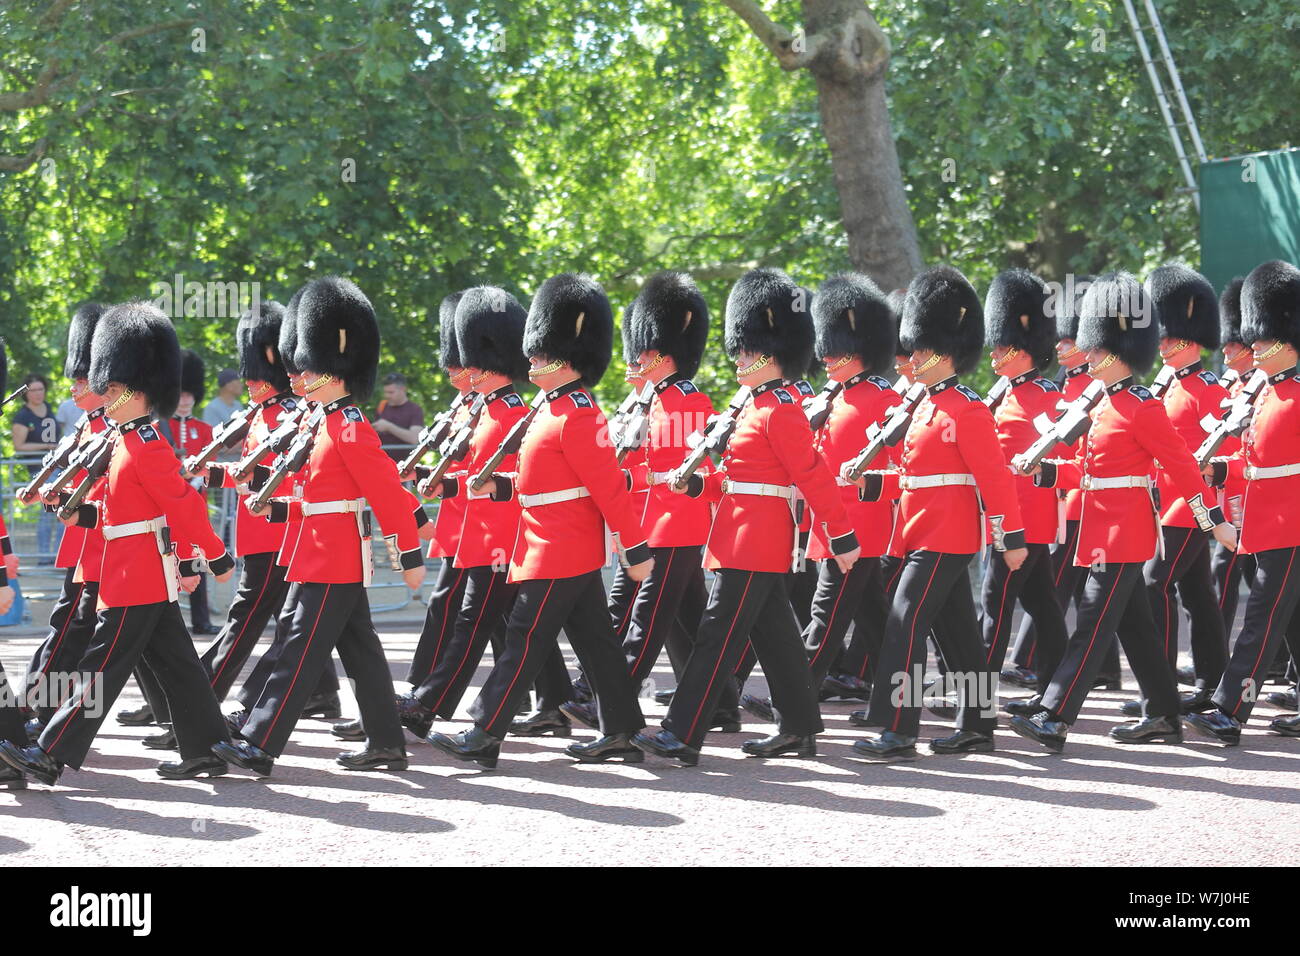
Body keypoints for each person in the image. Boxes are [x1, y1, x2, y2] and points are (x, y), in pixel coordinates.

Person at [0, 301, 236, 786]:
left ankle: (51, 752)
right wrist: (74, 510)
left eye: (110, 387)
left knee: (100, 667)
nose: (102, 393)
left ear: (137, 389)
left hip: (139, 571)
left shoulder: (147, 442)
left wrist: (213, 553)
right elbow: (113, 511)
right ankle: (208, 747)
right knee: (178, 664)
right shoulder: (124, 439)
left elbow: (183, 505)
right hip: (126, 565)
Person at [634, 267, 861, 766]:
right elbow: (737, 478)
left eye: (746, 350)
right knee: (776, 636)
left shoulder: (780, 408)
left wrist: (841, 535)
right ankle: (799, 728)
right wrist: (698, 483)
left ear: (772, 352)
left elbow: (811, 474)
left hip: (757, 539)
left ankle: (682, 732)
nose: (737, 358)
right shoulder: (751, 406)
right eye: (737, 348)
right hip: (738, 532)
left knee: (715, 634)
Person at [428, 273, 653, 768]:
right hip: (543, 540)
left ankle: (485, 732)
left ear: (564, 356)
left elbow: (608, 488)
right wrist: (500, 487)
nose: (530, 358)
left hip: (562, 547)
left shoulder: (579, 412)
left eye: (541, 352)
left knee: (523, 638)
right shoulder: (545, 408)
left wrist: (635, 550)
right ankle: (621, 730)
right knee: (597, 643)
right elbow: (544, 481)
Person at [1011, 272, 1237, 753]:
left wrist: (1209, 520)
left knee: (1091, 625)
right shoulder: (1102, 403)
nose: (1085, 355)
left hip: (1125, 533)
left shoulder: (1141, 406)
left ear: (1115, 351)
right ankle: (1164, 714)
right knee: (1135, 626)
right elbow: (1088, 472)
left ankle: (1054, 716)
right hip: (1099, 528)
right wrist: (1048, 474)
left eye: (1094, 348)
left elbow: (1181, 467)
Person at [213, 276, 426, 777]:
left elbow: (384, 492)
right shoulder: (323, 421)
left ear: (335, 365)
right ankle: (386, 743)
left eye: (308, 364)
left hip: (334, 556)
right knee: (362, 651)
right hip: (313, 548)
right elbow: (316, 496)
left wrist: (410, 551)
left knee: (296, 645)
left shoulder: (349, 423)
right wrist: (281, 510)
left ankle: (260, 741)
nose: (299, 373)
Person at [849, 265, 1026, 760]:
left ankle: (898, 728)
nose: (914, 358)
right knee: (959, 636)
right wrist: (873, 484)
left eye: (922, 350)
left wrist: (1011, 536)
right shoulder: (924, 405)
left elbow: (993, 478)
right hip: (918, 530)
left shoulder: (967, 409)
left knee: (903, 623)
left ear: (945, 352)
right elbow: (915, 477)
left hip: (947, 535)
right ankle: (978, 725)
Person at [739, 273, 901, 721]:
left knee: (825, 616)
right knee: (879, 625)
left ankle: (788, 702)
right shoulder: (833, 397)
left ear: (860, 348)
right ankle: (898, 698)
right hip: (830, 524)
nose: (825, 357)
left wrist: (871, 489)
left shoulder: (884, 400)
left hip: (859, 526)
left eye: (837, 348)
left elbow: (905, 469)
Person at [398, 286, 531, 738]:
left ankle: (427, 700)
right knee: (503, 625)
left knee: (480, 622)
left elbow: (508, 480)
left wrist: (449, 483)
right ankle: (559, 699)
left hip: (498, 536)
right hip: (471, 531)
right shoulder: (480, 407)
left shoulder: (512, 411)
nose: (460, 368)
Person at [1187, 260, 1300, 744]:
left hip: (1290, 523)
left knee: (1259, 619)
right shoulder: (1264, 394)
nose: (1251, 345)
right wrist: (1219, 469)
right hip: (1265, 520)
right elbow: (1256, 462)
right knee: (1291, 620)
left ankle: (1230, 709)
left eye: (1260, 335)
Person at [1133, 264, 1231, 713]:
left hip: (1189, 506)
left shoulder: (1205, 389)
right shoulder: (1165, 384)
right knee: (1197, 594)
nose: (1162, 344)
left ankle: (1163, 689)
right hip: (1164, 503)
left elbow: (1223, 443)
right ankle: (1212, 683)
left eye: (1169, 337)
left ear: (1188, 339)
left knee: (1154, 583)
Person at [977, 269, 1071, 695]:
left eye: (1005, 344)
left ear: (1026, 348)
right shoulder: (1003, 393)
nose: (995, 351)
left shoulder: (1047, 398)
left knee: (995, 607)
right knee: (1043, 609)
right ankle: (1058, 689)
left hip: (1022, 522)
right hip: (1006, 518)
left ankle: (974, 696)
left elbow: (1064, 461)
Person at [21, 303, 112, 737]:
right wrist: (51, 492)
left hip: (102, 543)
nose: (74, 389)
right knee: (91, 631)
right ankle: (193, 720)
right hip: (86, 541)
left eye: (82, 380)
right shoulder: (89, 425)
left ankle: (33, 708)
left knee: (71, 629)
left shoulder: (112, 427)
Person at [12, 373, 63, 563]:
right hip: (37, 470)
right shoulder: (23, 416)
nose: (37, 394)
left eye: (40, 389)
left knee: (62, 510)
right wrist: (47, 447)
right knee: (46, 513)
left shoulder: (49, 409)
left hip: (57, 468)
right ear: (26, 393)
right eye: (33, 390)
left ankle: (58, 556)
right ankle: (44, 557)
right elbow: (19, 446)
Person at [375, 372, 425, 458]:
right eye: (385, 392)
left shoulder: (414, 409)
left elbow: (415, 438)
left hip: (404, 464)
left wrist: (389, 427)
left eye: (391, 392)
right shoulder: (382, 406)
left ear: (403, 389)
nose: (387, 396)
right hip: (382, 461)